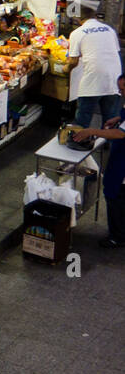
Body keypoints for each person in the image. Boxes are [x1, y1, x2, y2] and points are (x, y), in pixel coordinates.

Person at [73, 73, 125, 248]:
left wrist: (91, 131)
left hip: (123, 162)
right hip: (119, 154)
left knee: (115, 194)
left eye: (123, 89)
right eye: (120, 89)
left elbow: (121, 133)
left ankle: (117, 236)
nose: (121, 93)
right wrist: (119, 119)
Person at [68, 6, 123, 128]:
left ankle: (80, 143)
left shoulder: (77, 33)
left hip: (93, 79)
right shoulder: (110, 30)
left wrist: (65, 69)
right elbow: (113, 51)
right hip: (114, 78)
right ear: (94, 16)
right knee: (110, 120)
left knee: (83, 117)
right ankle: (109, 145)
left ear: (78, 19)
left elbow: (73, 61)